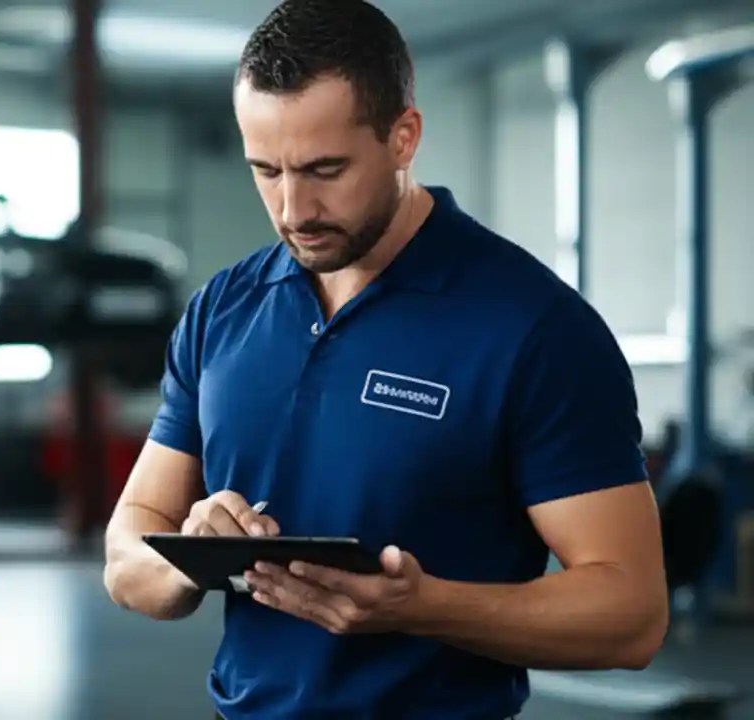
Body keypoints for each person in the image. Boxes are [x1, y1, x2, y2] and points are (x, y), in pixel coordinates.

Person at [101, 1, 669, 718]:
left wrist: (422, 607)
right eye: (266, 170)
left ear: (404, 138)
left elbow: (631, 615)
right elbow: (126, 558)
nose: (294, 209)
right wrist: (193, 556)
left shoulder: (535, 328)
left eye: (325, 169)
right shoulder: (222, 310)